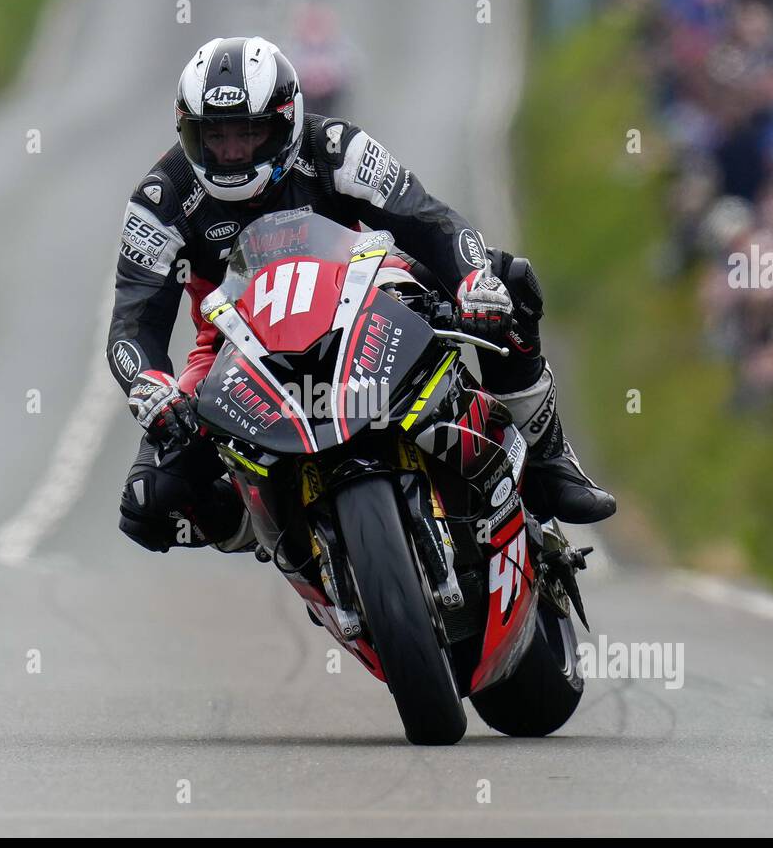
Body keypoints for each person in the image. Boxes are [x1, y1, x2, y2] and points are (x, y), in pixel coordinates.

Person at [108, 37, 615, 553]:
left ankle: (548, 460)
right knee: (148, 503)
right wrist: (152, 387)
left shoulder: (333, 147)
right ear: (186, 131)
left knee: (507, 281)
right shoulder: (161, 197)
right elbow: (132, 325)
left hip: (365, 291)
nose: (232, 151)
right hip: (234, 348)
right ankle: (263, 524)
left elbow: (429, 220)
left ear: (285, 122)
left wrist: (472, 281)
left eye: (249, 131)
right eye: (213, 136)